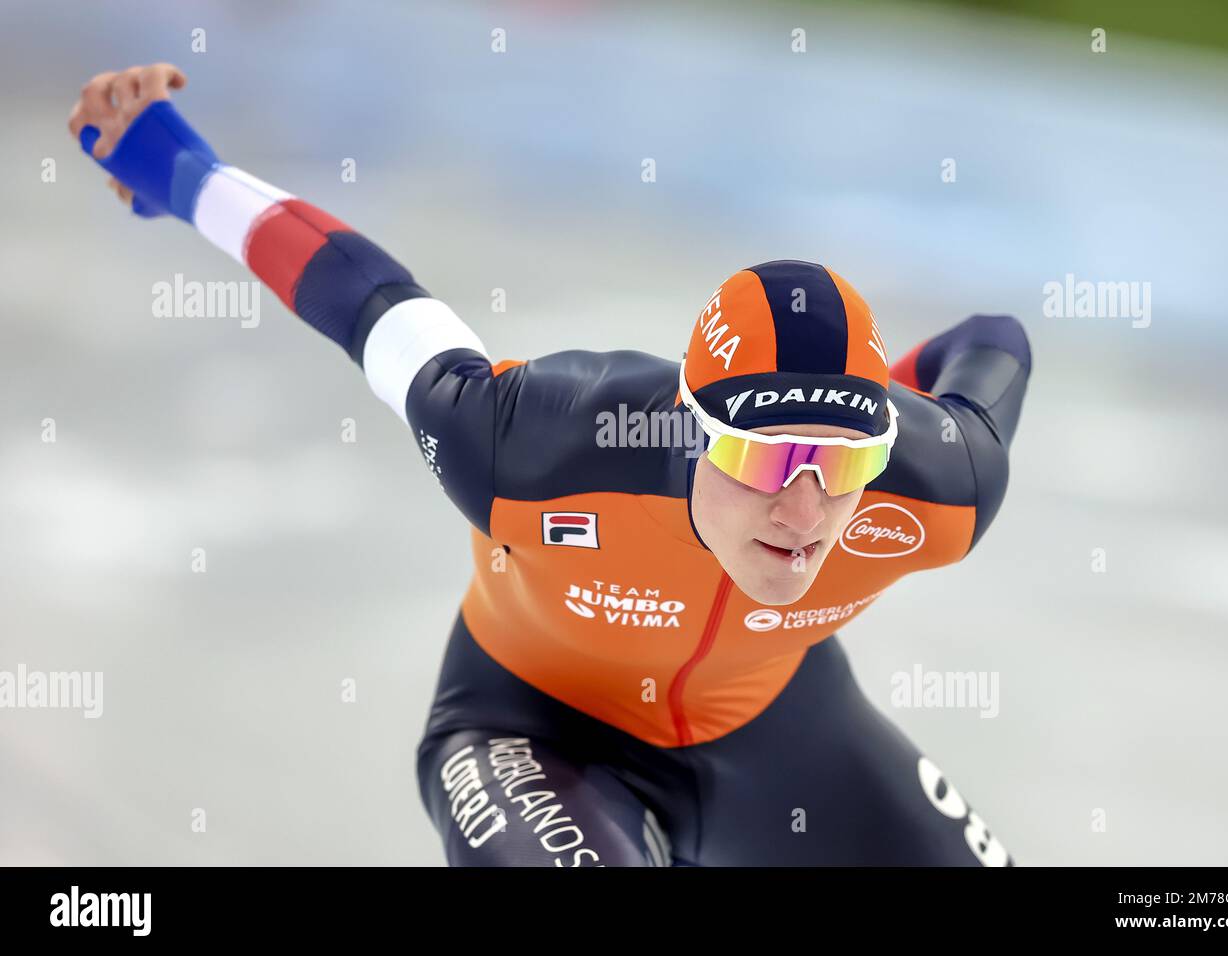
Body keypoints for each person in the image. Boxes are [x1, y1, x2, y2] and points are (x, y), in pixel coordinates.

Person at [69, 63, 1032, 867]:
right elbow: (362, 298)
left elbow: (993, 335)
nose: (807, 506)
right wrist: (175, 166)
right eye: (762, 453)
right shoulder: (534, 438)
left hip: (780, 731)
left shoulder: (934, 488)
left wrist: (878, 403)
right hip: (531, 730)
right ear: (691, 429)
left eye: (844, 457)